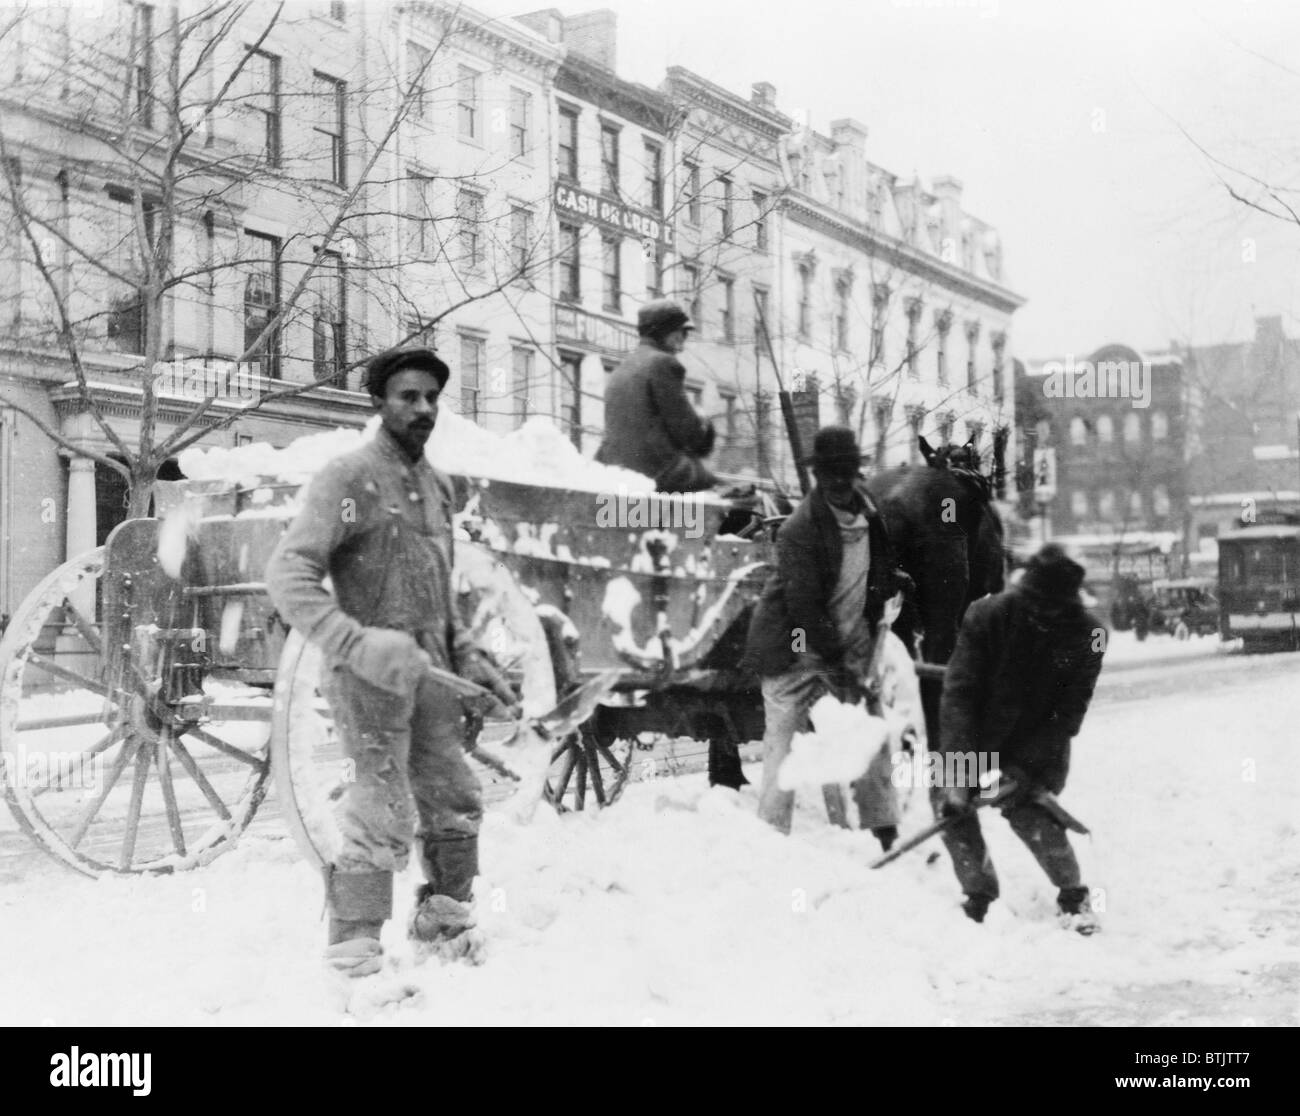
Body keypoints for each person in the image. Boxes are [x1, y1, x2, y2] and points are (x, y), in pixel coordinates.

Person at [265, 346, 521, 983]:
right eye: (409, 396)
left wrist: (472, 655)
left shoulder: (436, 487)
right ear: (378, 401)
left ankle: (443, 918)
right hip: (366, 674)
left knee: (456, 795)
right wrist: (353, 643)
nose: (424, 408)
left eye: (432, 397)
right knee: (381, 808)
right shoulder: (347, 479)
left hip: (429, 669)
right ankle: (354, 956)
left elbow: (444, 585)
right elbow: (289, 573)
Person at [742, 426, 914, 849]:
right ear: (817, 476)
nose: (838, 482)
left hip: (847, 646)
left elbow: (876, 569)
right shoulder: (800, 529)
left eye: (845, 472)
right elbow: (805, 609)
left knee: (871, 735)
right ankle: (771, 838)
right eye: (829, 474)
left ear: (855, 473)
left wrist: (893, 581)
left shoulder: (871, 516)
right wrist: (837, 665)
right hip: (794, 649)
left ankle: (885, 833)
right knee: (781, 746)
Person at [935, 542, 1105, 933]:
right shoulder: (987, 615)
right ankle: (979, 895)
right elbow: (959, 693)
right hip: (976, 735)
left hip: (1040, 742)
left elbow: (1069, 712)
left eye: (1053, 608)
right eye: (1037, 605)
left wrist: (1023, 770)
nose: (1043, 614)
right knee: (948, 803)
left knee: (1027, 807)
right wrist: (960, 776)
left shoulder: (1090, 634)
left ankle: (1073, 895)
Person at [595, 299, 718, 492]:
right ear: (667, 331)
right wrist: (705, 426)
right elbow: (687, 433)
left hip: (613, 467)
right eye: (682, 333)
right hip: (655, 470)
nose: (683, 342)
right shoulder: (663, 363)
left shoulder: (623, 366)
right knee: (736, 498)